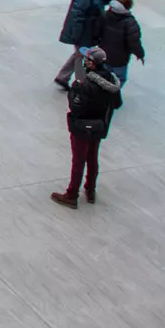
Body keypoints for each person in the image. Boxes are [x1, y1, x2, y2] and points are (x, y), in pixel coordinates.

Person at [51, 46, 121, 208]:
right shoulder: (111, 80)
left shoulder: (84, 83)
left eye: (87, 59)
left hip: (82, 126)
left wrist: (75, 90)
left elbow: (76, 106)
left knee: (78, 160)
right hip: (99, 125)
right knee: (92, 157)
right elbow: (117, 103)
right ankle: (90, 190)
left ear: (92, 63)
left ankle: (71, 194)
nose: (85, 62)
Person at [53, 0, 112, 87]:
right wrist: (76, 34)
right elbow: (78, 14)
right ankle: (79, 82)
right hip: (84, 31)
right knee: (82, 55)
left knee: (80, 54)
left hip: (86, 30)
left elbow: (93, 3)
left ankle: (63, 77)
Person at [95, 0, 145, 92]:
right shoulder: (130, 22)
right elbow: (134, 42)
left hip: (104, 53)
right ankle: (110, 96)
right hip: (120, 58)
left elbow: (96, 32)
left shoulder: (105, 15)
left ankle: (100, 94)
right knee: (119, 78)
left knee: (103, 76)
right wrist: (140, 54)